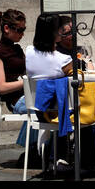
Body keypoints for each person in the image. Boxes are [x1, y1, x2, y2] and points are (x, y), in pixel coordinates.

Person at [24, 14, 75, 171]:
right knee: (90, 114)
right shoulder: (63, 59)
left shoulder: (29, 52)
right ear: (54, 32)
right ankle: (90, 162)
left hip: (38, 109)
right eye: (60, 29)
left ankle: (55, 158)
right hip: (59, 113)